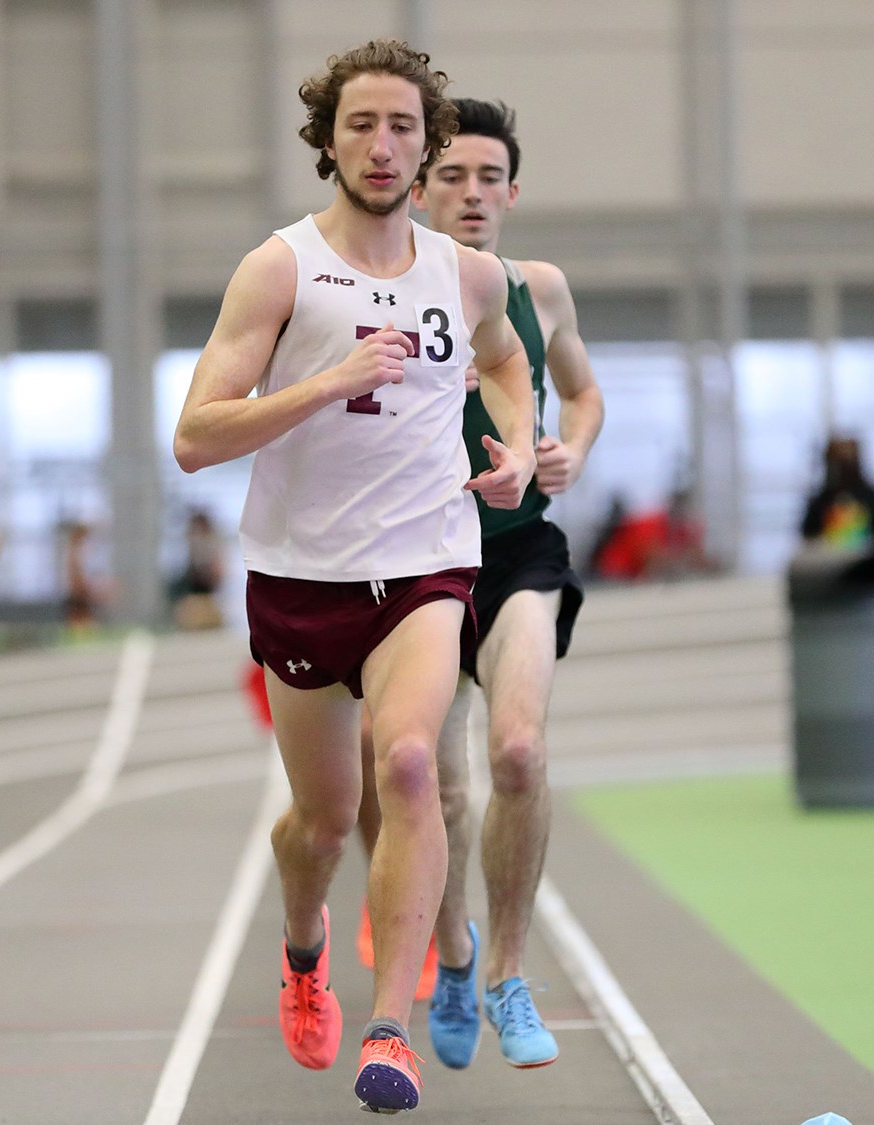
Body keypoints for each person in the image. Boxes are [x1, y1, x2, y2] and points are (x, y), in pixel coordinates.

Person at [172, 39, 534, 1114]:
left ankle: (389, 1030)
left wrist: (512, 448)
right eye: (362, 126)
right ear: (326, 141)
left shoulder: (463, 272)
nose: (382, 146)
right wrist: (328, 380)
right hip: (300, 577)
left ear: (427, 151)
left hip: (426, 561)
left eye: (402, 130)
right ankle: (301, 949)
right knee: (322, 824)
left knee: (412, 765)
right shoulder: (279, 267)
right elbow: (195, 436)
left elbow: (505, 359)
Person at [351, 95, 603, 1072]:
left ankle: (504, 969)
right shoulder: (381, 285)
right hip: (414, 556)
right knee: (434, 789)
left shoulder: (536, 290)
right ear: (416, 184)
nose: (468, 195)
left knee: (520, 752)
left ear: (510, 191)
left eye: (486, 178)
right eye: (449, 176)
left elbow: (580, 389)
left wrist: (569, 449)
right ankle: (450, 956)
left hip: (515, 550)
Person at [800, 435, 874, 550]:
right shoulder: (819, 502)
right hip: (827, 563)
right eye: (837, 462)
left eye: (847, 462)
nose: (842, 469)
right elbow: (808, 539)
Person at [168, 510, 225, 631]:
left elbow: (216, 575)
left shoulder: (212, 548)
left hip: (205, 592)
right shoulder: (188, 549)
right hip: (191, 590)